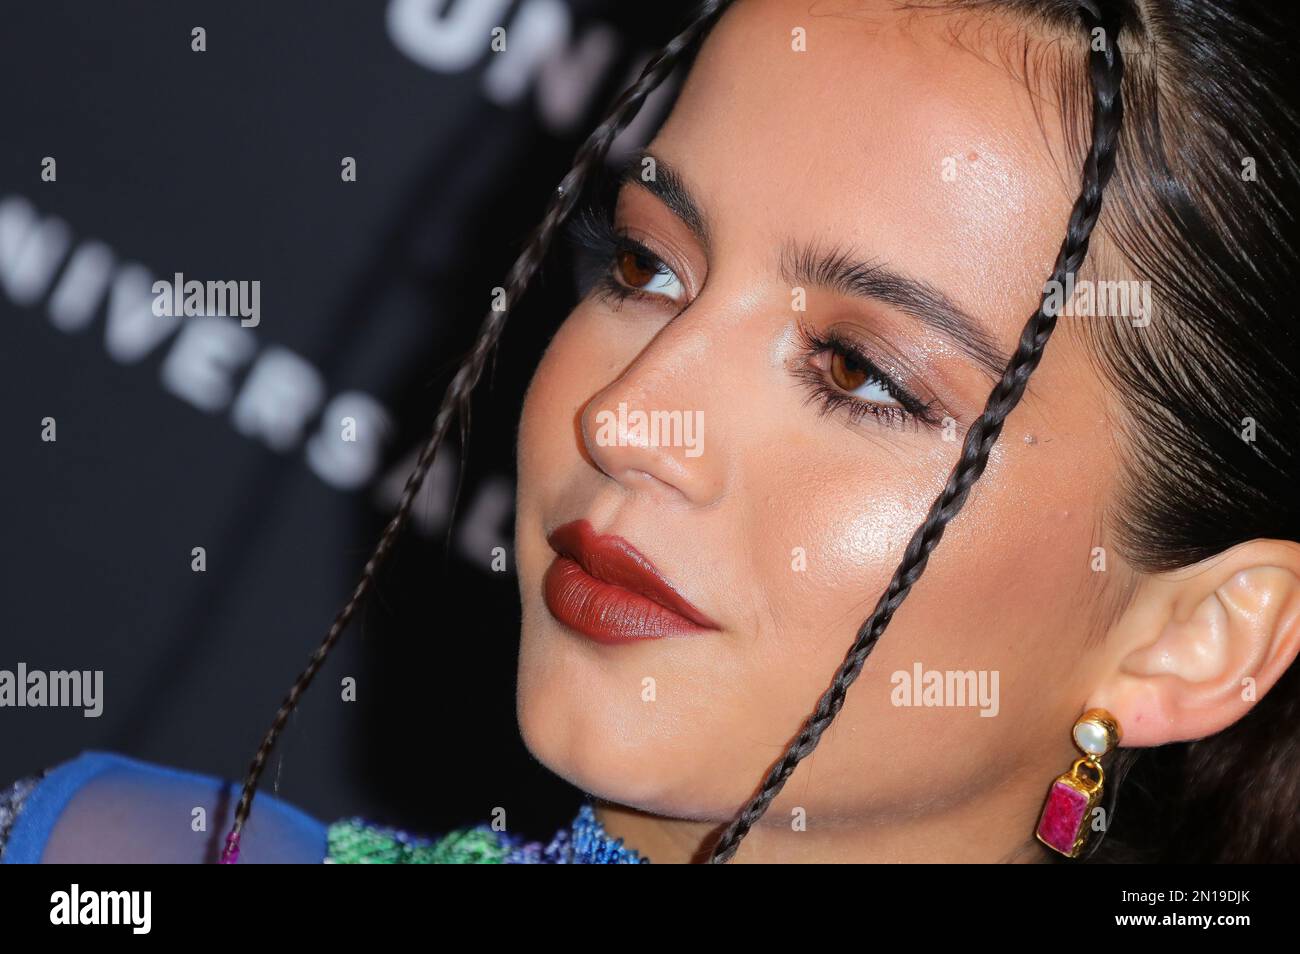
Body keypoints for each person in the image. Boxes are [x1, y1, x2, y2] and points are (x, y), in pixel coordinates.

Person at [4, 0, 1299, 864]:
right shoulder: (105, 854)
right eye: (646, 266)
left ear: (1200, 636)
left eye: (857, 371)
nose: (627, 418)